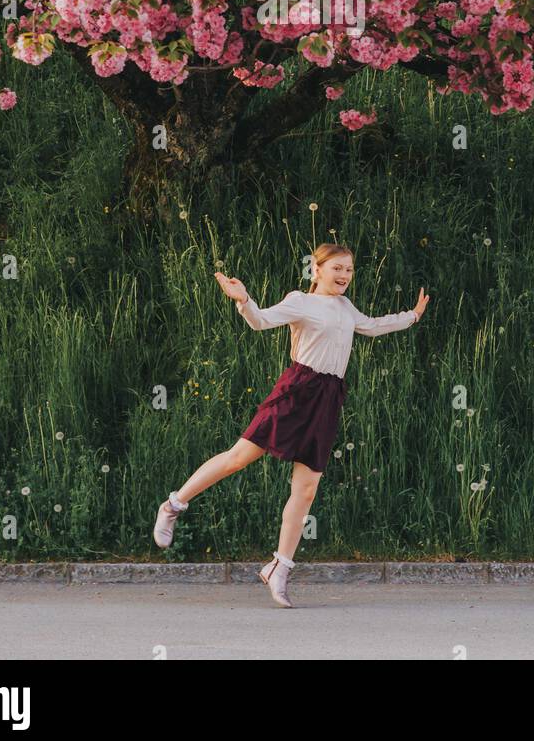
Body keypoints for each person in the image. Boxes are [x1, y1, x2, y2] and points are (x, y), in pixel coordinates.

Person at [152, 242, 429, 607]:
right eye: (336, 268)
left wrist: (411, 316)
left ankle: (279, 568)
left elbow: (373, 327)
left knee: (308, 488)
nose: (344, 275)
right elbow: (261, 321)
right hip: (298, 390)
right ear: (317, 270)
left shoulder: (345, 307)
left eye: (348, 269)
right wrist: (243, 300)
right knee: (238, 457)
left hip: (328, 397)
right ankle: (174, 504)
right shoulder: (301, 300)